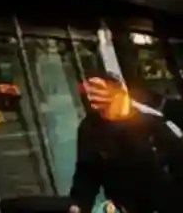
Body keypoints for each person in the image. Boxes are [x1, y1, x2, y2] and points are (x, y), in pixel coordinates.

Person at [69, 75, 183, 213]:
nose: (93, 98)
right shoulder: (90, 128)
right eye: (88, 93)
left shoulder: (150, 118)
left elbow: (177, 155)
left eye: (99, 90)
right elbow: (87, 170)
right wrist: (79, 203)